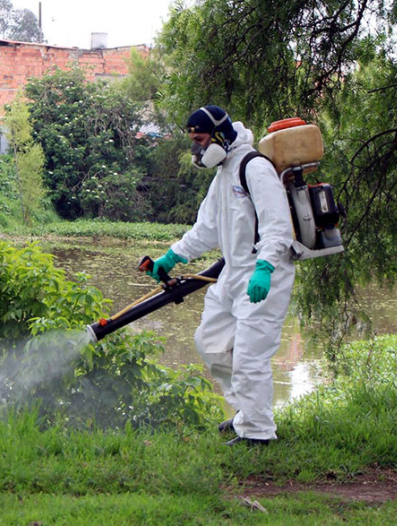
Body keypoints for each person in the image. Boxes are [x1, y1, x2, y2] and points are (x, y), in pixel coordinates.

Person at [149, 105, 295, 446]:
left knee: (249, 356)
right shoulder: (225, 173)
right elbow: (208, 229)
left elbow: (278, 225)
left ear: (218, 135)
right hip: (234, 273)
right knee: (210, 343)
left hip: (264, 273)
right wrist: (172, 257)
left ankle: (259, 434)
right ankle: (247, 412)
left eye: (200, 141)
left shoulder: (254, 167)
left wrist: (265, 267)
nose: (197, 150)